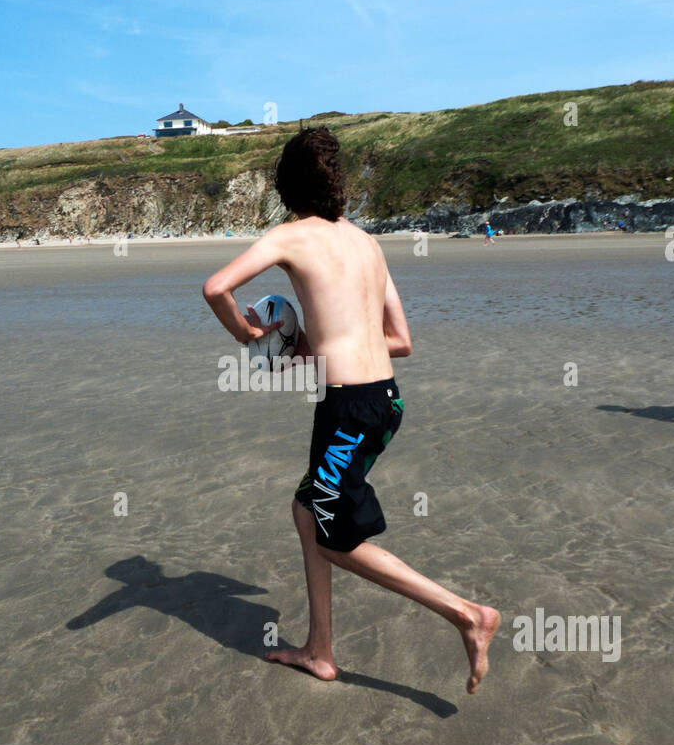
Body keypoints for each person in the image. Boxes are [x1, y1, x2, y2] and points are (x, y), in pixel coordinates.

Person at [202, 128, 500, 693]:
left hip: (347, 411)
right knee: (307, 509)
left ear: (287, 187)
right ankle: (319, 650)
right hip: (384, 402)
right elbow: (401, 339)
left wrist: (248, 337)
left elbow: (215, 286)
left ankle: (466, 614)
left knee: (334, 538)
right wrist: (315, 349)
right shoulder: (368, 243)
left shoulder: (290, 235)